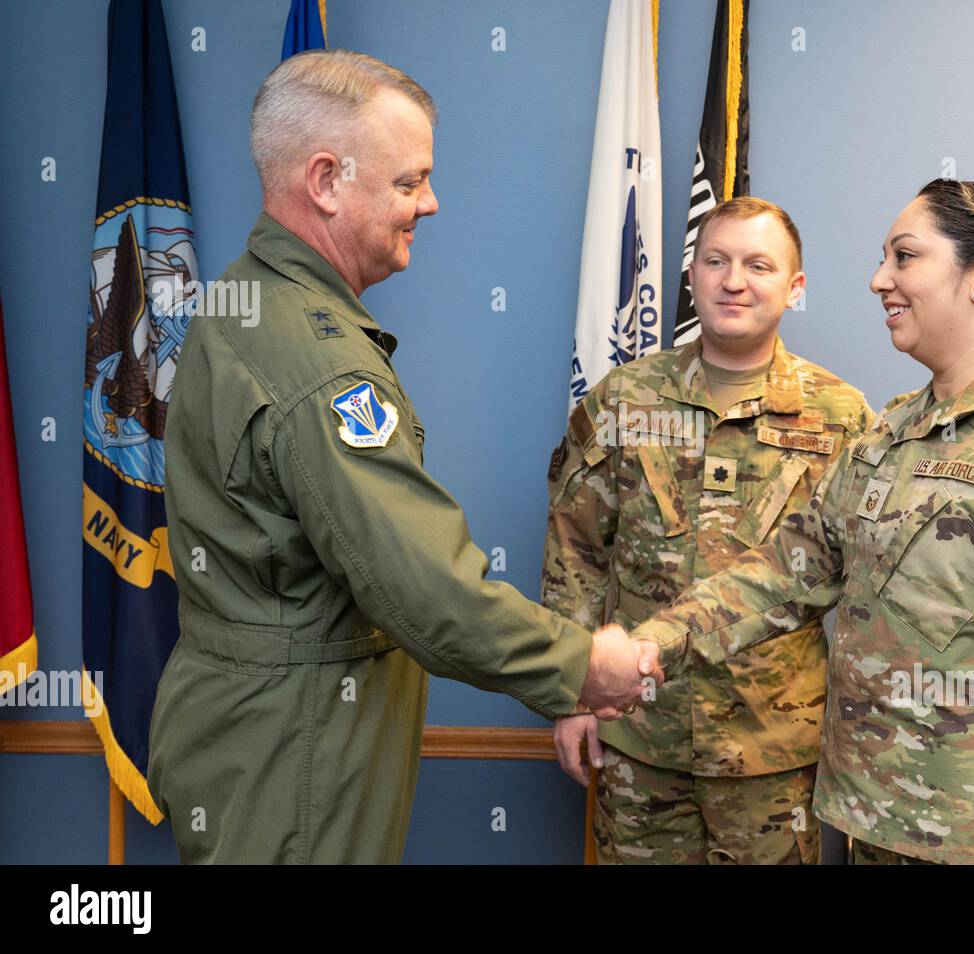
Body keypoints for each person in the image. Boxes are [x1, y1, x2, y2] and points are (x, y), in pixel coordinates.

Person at [147, 49, 661, 864]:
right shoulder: (319, 363)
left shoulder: (244, 301)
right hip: (298, 750)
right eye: (407, 181)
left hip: (260, 731)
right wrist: (580, 665)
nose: (430, 202)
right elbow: (420, 587)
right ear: (325, 181)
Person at [633, 179, 974, 864]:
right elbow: (785, 573)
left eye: (904, 256)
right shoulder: (892, 433)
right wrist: (648, 645)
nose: (880, 278)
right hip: (875, 829)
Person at [545, 197, 873, 864]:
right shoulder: (623, 400)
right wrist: (572, 689)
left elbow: (868, 584)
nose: (734, 280)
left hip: (774, 752)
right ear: (691, 276)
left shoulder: (842, 417)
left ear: (794, 287)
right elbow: (575, 551)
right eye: (716, 261)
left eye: (759, 264)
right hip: (638, 736)